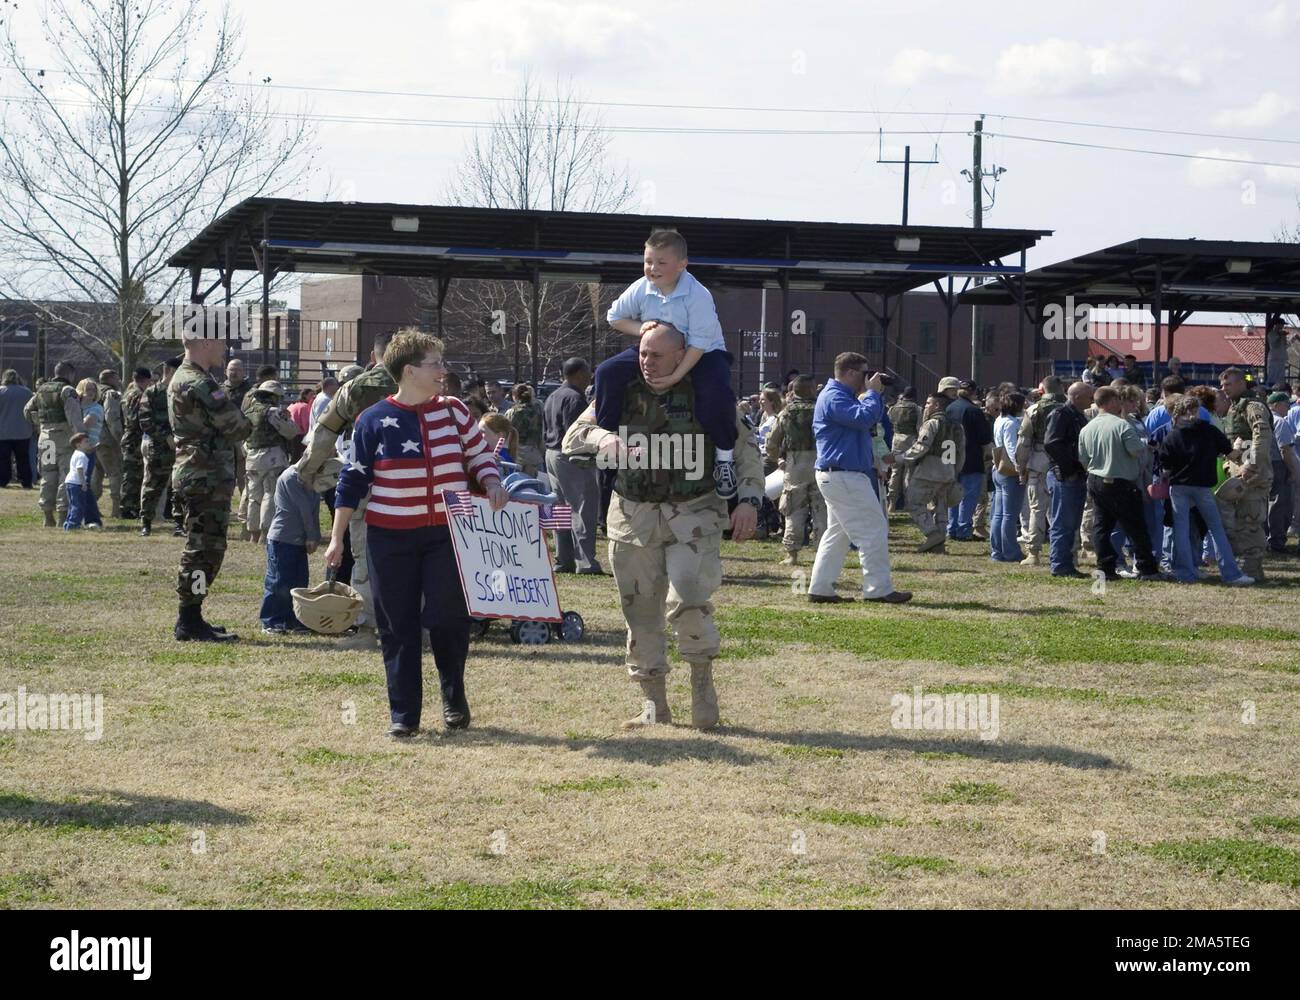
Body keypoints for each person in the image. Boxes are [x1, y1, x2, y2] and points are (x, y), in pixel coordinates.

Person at [561, 322, 761, 730]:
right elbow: (572, 437)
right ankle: (653, 703)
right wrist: (602, 438)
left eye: (656, 355)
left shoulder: (707, 393)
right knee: (640, 610)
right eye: (642, 353)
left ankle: (702, 685)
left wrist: (750, 502)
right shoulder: (619, 389)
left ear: (681, 355)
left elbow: (745, 450)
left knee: (688, 596)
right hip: (634, 516)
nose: (646, 362)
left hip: (694, 513)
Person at [325, 330, 507, 739]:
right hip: (390, 537)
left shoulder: (455, 411)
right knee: (398, 626)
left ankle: (453, 697)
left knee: (448, 619)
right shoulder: (372, 421)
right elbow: (352, 481)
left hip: (446, 534)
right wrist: (337, 538)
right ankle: (404, 714)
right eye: (435, 364)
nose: (443, 371)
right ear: (410, 371)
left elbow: (479, 454)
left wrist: (492, 481)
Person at [598, 228, 739, 498]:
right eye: (648, 261)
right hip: (656, 347)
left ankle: (724, 457)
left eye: (661, 262)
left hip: (702, 352)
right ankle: (607, 439)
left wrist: (676, 376)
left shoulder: (698, 295)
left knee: (715, 391)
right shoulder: (642, 286)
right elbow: (614, 317)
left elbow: (698, 343)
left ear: (682, 265)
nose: (653, 268)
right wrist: (640, 327)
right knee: (607, 372)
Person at [296, 333, 397, 652]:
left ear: (374, 354)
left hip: (368, 483)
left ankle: (367, 627)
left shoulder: (358, 387)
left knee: (366, 555)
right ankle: (416, 626)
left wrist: (307, 470)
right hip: (415, 487)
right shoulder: (424, 384)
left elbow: (325, 431)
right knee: (414, 557)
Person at [169, 327, 253, 642]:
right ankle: (189, 619)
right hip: (204, 476)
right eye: (221, 342)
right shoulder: (200, 383)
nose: (225, 348)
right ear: (205, 343)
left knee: (204, 548)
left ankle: (193, 616)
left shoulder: (185, 377)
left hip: (198, 474)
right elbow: (238, 427)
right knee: (204, 550)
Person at [806, 353, 911, 604]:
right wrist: (873, 393)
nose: (869, 378)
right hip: (844, 476)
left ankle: (820, 588)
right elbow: (864, 418)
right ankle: (878, 589)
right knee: (874, 529)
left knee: (838, 533)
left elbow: (860, 427)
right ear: (851, 372)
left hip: (841, 475)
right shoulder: (834, 396)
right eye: (865, 373)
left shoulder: (840, 396)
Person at [1157, 395, 1252, 586]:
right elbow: (1230, 453)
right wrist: (1243, 453)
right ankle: (1231, 573)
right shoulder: (1209, 430)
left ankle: (1185, 573)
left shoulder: (1172, 435)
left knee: (1181, 530)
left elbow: (1165, 468)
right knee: (1216, 529)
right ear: (1197, 410)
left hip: (1179, 487)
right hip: (1203, 486)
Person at [1077, 386, 1160, 580]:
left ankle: (1105, 567)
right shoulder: (1122, 425)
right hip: (1121, 481)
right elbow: (1136, 450)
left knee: (1101, 527)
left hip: (1095, 479)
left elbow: (1083, 459)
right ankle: (1147, 568)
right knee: (1136, 526)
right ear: (1112, 401)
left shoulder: (1087, 427)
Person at [261, 460, 341, 634]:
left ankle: (293, 620)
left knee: (299, 582)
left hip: (298, 540)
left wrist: (315, 536)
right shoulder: (291, 477)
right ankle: (271, 621)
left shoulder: (311, 478)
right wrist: (312, 536)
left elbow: (314, 510)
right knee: (279, 582)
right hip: (283, 539)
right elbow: (303, 509)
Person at [545, 357, 602, 575]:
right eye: (587, 371)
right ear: (578, 374)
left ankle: (563, 559)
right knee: (583, 507)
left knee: (560, 508)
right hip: (571, 456)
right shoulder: (575, 398)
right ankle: (586, 562)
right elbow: (577, 433)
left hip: (551, 454)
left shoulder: (552, 396)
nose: (589, 376)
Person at [1218, 367, 1274, 581]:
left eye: (1228, 384)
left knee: (1250, 520)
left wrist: (1251, 464)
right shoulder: (1234, 407)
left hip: (1252, 472)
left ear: (1242, 383)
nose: (1224, 388)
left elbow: (1261, 437)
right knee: (1237, 520)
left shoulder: (1253, 406)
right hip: (1236, 471)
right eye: (1223, 385)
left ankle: (1253, 568)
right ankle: (1245, 565)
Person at [765, 374, 824, 565]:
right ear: (813, 389)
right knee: (821, 509)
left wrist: (779, 459)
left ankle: (792, 554)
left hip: (795, 464)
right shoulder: (822, 410)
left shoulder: (786, 412)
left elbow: (772, 443)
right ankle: (822, 552)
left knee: (794, 509)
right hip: (820, 463)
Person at [899, 393, 965, 553]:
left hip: (929, 471)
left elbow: (922, 447)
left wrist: (900, 457)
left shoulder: (932, 423)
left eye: (929, 403)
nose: (926, 406)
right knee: (940, 506)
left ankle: (932, 534)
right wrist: (954, 472)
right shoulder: (957, 426)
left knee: (914, 502)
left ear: (937, 406)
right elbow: (961, 452)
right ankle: (939, 544)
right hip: (948, 470)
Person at [23, 360, 84, 527]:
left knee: (48, 475)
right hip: (65, 438)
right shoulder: (68, 391)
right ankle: (63, 516)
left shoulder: (41, 390)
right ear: (69, 374)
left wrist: (41, 424)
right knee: (66, 475)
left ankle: (47, 516)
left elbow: (27, 411)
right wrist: (81, 437)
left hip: (46, 438)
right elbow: (74, 417)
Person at [1043, 381, 1094, 578]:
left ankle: (1066, 563)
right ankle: (1060, 565)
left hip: (1073, 475)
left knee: (1070, 523)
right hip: (1065, 476)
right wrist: (1071, 467)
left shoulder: (1077, 415)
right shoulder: (1061, 414)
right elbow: (1052, 444)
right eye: (1088, 396)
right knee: (1063, 523)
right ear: (1077, 397)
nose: (1091, 400)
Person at [1014, 376, 1065, 567]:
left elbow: (1024, 442)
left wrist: (1021, 468)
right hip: (1064, 462)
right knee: (1063, 510)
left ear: (1042, 389)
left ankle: (1033, 553)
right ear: (1061, 388)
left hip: (1038, 462)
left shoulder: (1034, 409)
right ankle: (1068, 551)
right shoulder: (1070, 407)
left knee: (1037, 509)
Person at [243, 381, 301, 544]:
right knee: (270, 493)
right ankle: (265, 532)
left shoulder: (249, 410)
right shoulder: (273, 411)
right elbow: (291, 432)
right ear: (275, 396)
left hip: (251, 456)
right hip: (272, 457)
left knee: (254, 496)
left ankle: (252, 533)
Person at [941, 377, 992, 541]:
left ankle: (952, 528)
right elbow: (984, 437)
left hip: (950, 456)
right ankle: (964, 530)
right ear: (973, 392)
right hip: (971, 457)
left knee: (953, 494)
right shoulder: (974, 410)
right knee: (969, 496)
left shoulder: (948, 408)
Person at [138, 358, 183, 537]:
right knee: (152, 485)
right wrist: (165, 437)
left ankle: (179, 523)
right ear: (170, 371)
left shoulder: (182, 392)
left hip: (182, 447)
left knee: (180, 486)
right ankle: (146, 523)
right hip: (159, 447)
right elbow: (145, 420)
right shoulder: (153, 392)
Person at [990, 392, 1026, 562]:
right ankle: (1011, 552)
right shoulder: (1012, 423)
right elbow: (1012, 449)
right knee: (1010, 515)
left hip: (997, 468)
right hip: (1009, 472)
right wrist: (1020, 470)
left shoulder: (999, 419)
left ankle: (997, 551)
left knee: (998, 514)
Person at [222, 359, 253, 531]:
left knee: (244, 479)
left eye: (237, 370)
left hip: (242, 438)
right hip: (224, 439)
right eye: (231, 370)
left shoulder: (250, 391)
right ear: (226, 371)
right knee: (224, 478)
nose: (234, 373)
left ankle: (246, 518)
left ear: (243, 371)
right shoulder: (220, 390)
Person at [118, 367, 151, 521]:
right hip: (134, 439)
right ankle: (127, 508)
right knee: (132, 475)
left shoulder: (128, 393)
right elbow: (134, 420)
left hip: (130, 437)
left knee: (133, 474)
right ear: (147, 379)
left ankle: (130, 506)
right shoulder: (138, 395)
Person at [1266, 391, 1296, 554]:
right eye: (1286, 404)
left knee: (1268, 503)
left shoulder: (1264, 420)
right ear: (1276, 405)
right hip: (1279, 465)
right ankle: (1276, 542)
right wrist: (1292, 470)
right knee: (1280, 505)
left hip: (1266, 464)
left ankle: (1268, 538)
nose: (1288, 408)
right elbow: (1284, 449)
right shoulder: (1280, 422)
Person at [93, 369, 124, 517]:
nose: (119, 382)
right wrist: (120, 438)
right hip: (107, 440)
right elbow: (111, 418)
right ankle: (116, 509)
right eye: (117, 378)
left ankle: (91, 506)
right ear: (111, 379)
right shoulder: (110, 394)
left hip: (92, 439)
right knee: (115, 472)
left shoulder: (92, 391)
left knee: (96, 474)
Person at [886, 386, 921, 511]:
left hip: (896, 440)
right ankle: (907, 503)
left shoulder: (893, 408)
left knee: (895, 472)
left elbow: (890, 420)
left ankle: (892, 502)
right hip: (911, 440)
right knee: (909, 472)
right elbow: (919, 427)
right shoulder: (917, 409)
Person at [0, 369, 35, 489]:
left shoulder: (1, 391)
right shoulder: (27, 392)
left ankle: (3, 480)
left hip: (3, 432)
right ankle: (26, 481)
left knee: (3, 459)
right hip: (23, 431)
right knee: (23, 458)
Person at [62, 433, 103, 531]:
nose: (89, 443)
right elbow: (80, 469)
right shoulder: (82, 456)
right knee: (78, 506)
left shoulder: (76, 453)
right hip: (77, 483)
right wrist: (83, 483)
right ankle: (73, 525)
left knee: (73, 505)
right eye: (86, 441)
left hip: (70, 482)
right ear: (78, 445)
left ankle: (67, 524)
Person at [504, 383, 544, 476]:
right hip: (535, 453)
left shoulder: (512, 412)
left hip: (517, 455)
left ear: (514, 396)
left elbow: (507, 433)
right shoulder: (538, 410)